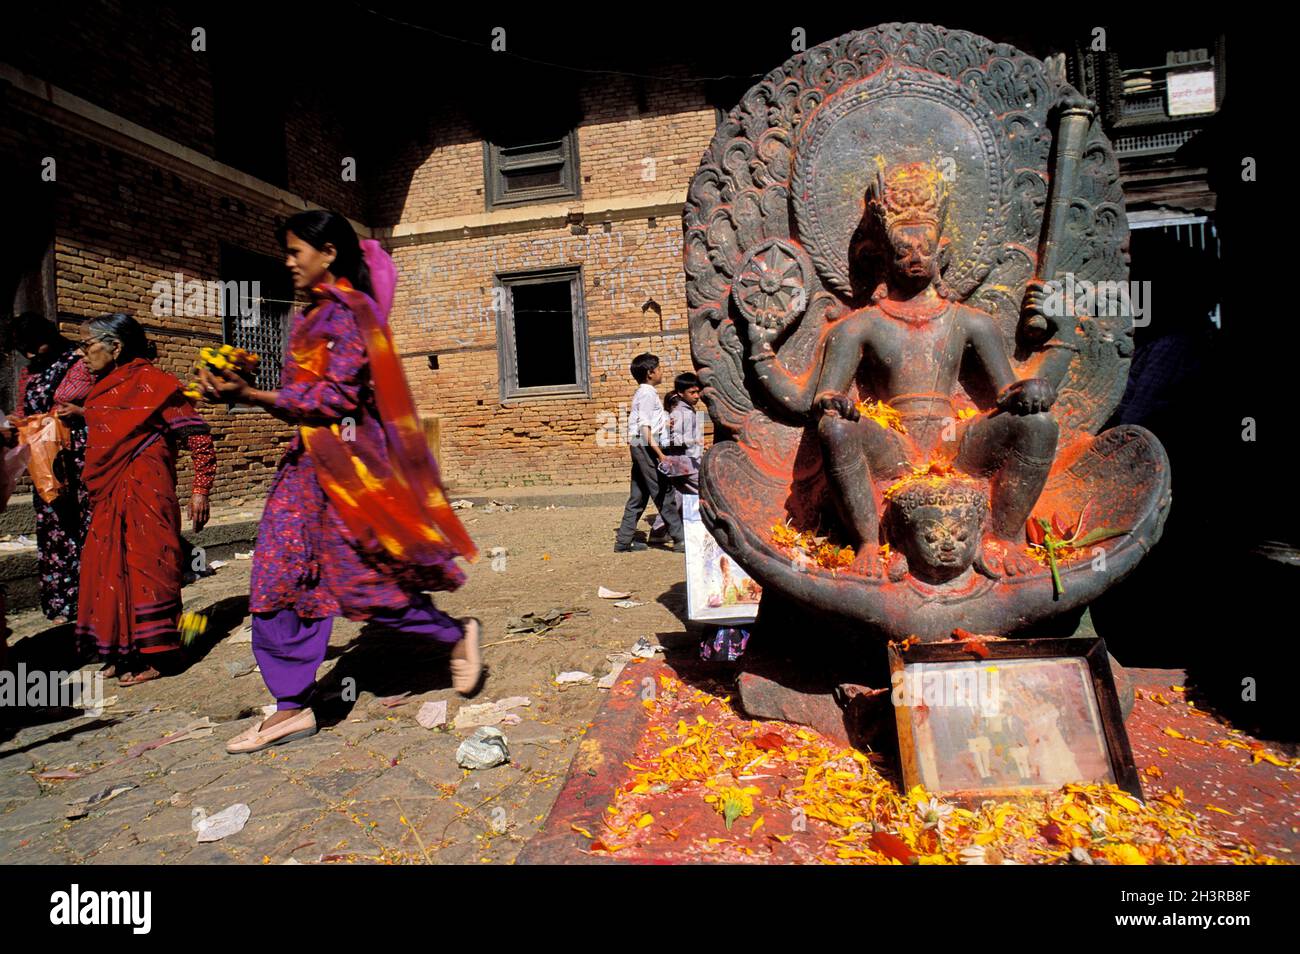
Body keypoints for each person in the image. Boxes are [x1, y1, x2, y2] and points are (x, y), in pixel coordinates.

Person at [198, 210, 480, 754]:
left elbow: (337, 401)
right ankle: (290, 706)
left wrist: (253, 398)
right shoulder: (312, 317)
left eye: (294, 251)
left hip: (351, 476)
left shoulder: (351, 314)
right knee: (276, 579)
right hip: (303, 473)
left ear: (327, 253)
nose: (287, 262)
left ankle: (455, 635)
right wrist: (249, 382)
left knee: (363, 585)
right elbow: (308, 395)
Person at [75, 313, 215, 685]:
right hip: (108, 497)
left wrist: (200, 490)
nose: (82, 354)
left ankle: (160, 655)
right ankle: (123, 650)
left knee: (149, 569)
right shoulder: (103, 388)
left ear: (115, 347)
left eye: (87, 345)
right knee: (108, 567)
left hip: (146, 497)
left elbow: (199, 436)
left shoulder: (155, 384)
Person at [1, 313, 96, 623]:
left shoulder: (79, 361)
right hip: (45, 459)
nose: (29, 354)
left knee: (83, 521)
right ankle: (63, 603)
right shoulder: (31, 371)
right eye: (22, 349)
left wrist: (80, 412)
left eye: (34, 346)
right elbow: (24, 409)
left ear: (49, 335)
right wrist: (17, 424)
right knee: (54, 524)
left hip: (77, 454)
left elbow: (106, 405)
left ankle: (93, 601)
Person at [614, 353, 683, 553]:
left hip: (641, 445)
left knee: (639, 494)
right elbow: (644, 428)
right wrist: (660, 454)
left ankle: (623, 541)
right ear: (650, 373)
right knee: (662, 491)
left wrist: (665, 421)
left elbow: (649, 421)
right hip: (645, 446)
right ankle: (680, 538)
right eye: (659, 368)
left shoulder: (647, 393)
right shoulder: (647, 394)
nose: (662, 371)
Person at [650, 371, 703, 540]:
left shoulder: (685, 409)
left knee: (678, 496)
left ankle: (658, 530)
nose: (696, 396)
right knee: (703, 490)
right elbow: (675, 439)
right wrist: (694, 441)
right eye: (692, 393)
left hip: (682, 462)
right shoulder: (681, 412)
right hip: (686, 462)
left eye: (697, 391)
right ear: (681, 393)